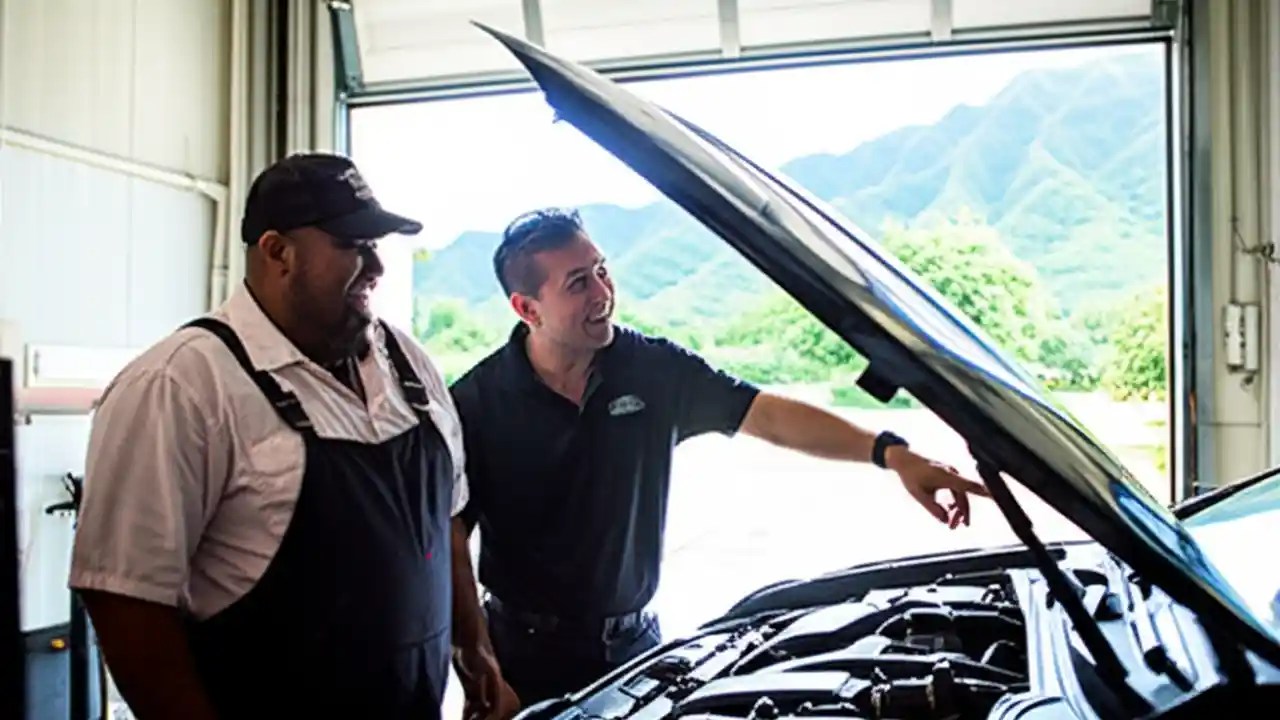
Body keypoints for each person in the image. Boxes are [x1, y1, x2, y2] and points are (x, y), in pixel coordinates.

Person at [449, 207, 992, 705]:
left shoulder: (654, 370)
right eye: (577, 282)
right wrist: (481, 670)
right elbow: (449, 541)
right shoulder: (476, 403)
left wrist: (890, 453)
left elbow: (768, 415)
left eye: (601, 270)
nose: (602, 291)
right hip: (523, 654)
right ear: (527, 309)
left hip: (636, 646)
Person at [67, 153, 519, 720]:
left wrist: (474, 649)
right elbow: (124, 598)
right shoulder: (180, 385)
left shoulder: (408, 363)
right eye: (353, 244)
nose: (375, 265)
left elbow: (444, 518)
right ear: (278, 252)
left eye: (377, 243)